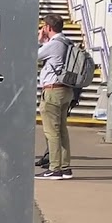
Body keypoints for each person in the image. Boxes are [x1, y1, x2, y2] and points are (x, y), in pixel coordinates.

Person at [37, 14, 73, 179]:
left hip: (52, 91)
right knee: (62, 130)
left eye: (44, 26)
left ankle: (54, 168)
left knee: (51, 131)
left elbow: (35, 55)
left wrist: (40, 39)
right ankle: (65, 167)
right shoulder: (67, 42)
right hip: (66, 90)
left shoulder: (54, 44)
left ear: (48, 28)